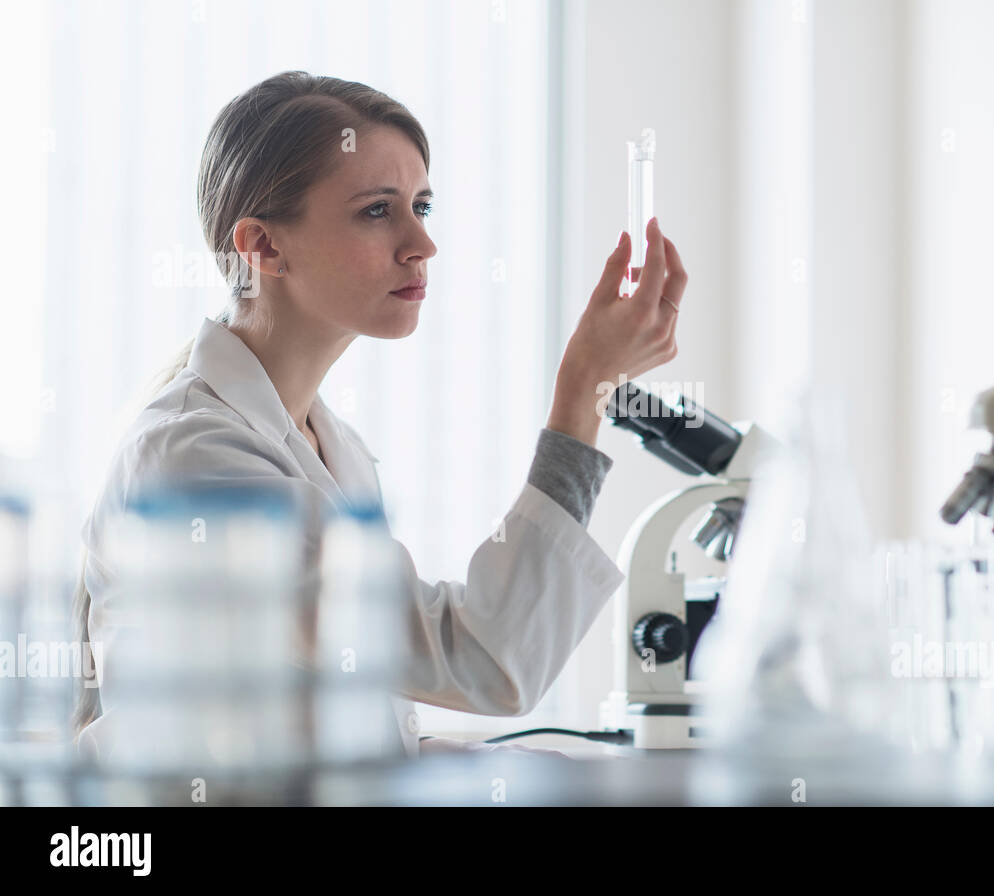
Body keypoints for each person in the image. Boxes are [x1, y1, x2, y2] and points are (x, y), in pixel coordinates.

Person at [71, 70, 688, 761]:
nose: (421, 244)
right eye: (376, 211)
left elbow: (355, 729)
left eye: (422, 207)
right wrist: (585, 391)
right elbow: (484, 657)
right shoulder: (193, 459)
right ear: (264, 247)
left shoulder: (335, 448)